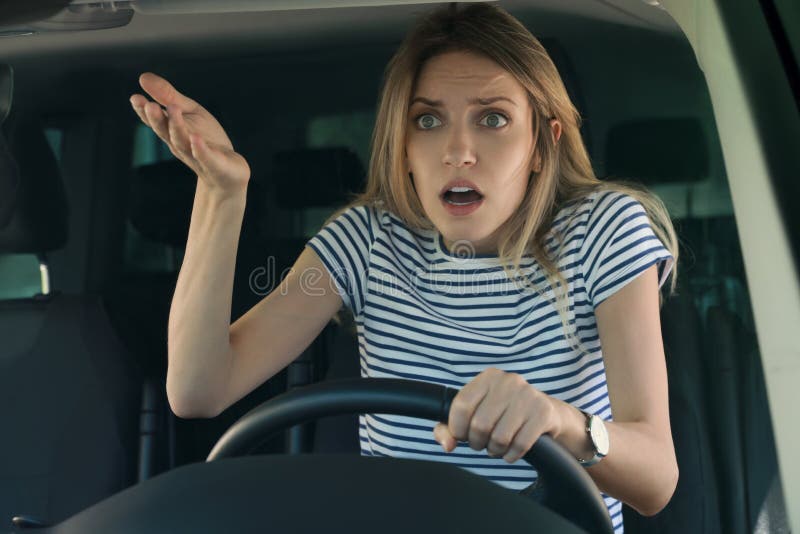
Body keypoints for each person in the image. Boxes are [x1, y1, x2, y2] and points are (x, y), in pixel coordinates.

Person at [129, 3, 679, 531]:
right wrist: (221, 191)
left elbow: (655, 479)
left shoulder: (604, 229)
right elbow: (198, 390)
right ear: (405, 146)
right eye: (429, 120)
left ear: (542, 143)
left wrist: (559, 422)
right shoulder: (368, 239)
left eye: (492, 119)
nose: (458, 150)